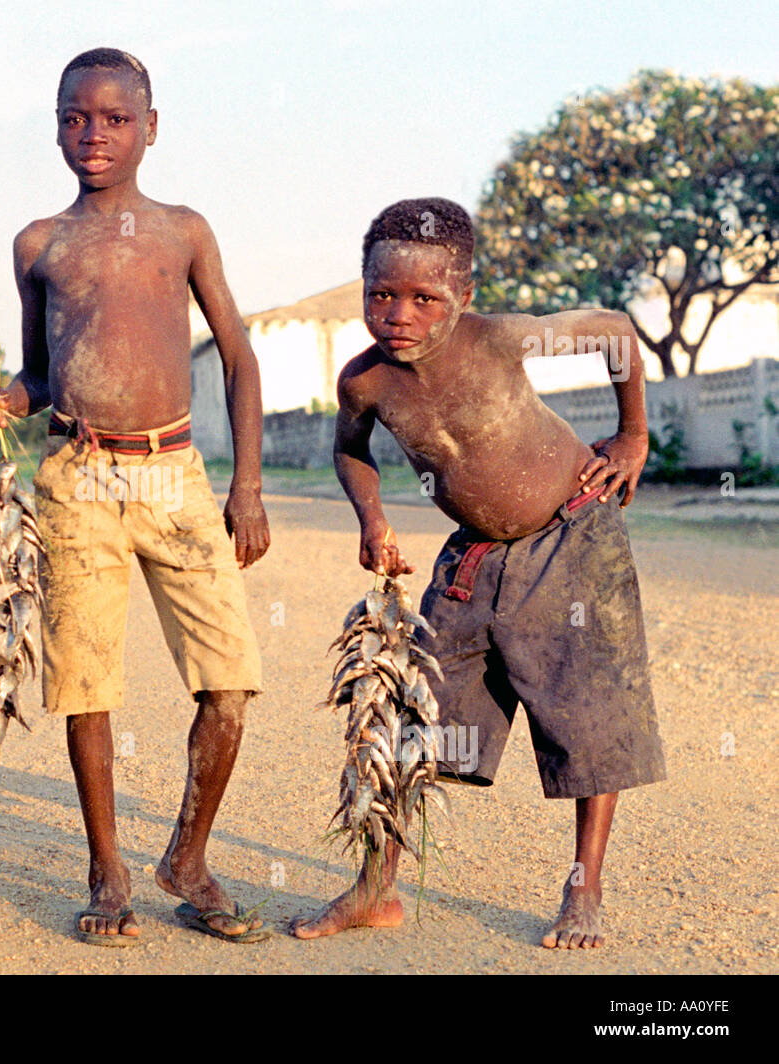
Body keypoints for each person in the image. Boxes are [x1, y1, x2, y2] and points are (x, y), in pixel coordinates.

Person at [290, 197, 665, 949]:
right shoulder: (365, 383)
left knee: (588, 720)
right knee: (411, 710)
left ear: (462, 296)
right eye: (381, 295)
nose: (399, 313)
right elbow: (349, 452)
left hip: (572, 535)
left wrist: (631, 433)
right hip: (474, 556)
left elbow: (617, 332)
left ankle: (582, 890)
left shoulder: (501, 341)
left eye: (425, 299)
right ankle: (376, 887)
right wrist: (373, 519)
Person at [0, 48, 269, 945]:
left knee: (230, 680)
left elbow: (241, 359)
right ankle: (107, 870)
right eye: (73, 117)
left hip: (174, 474)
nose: (92, 135)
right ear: (56, 123)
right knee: (87, 681)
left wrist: (247, 487)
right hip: (79, 480)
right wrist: (3, 403)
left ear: (150, 126)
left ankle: (188, 856)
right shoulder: (39, 244)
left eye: (113, 118)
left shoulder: (184, 231)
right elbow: (38, 374)